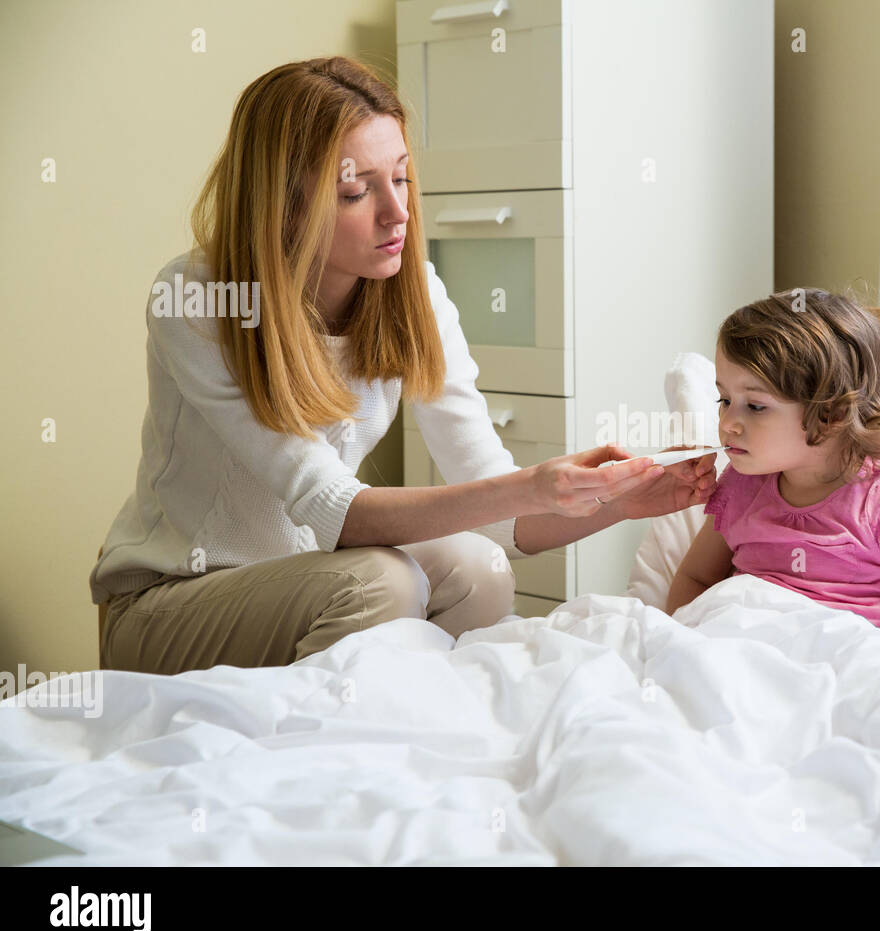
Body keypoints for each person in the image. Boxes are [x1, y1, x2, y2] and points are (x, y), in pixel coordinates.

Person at [90, 56, 716, 675]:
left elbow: (499, 522)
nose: (397, 212)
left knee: (481, 571)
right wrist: (534, 483)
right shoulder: (202, 299)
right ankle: (313, 748)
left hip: (308, 580)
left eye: (402, 177)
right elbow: (334, 507)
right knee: (380, 584)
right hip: (167, 605)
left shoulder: (411, 288)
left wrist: (622, 501)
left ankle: (400, 731)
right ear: (282, 204)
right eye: (356, 190)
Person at [666, 289, 880, 692]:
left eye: (755, 406)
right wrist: (676, 653)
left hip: (835, 682)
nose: (728, 424)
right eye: (724, 400)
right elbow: (696, 578)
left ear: (831, 415)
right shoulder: (740, 489)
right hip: (735, 670)